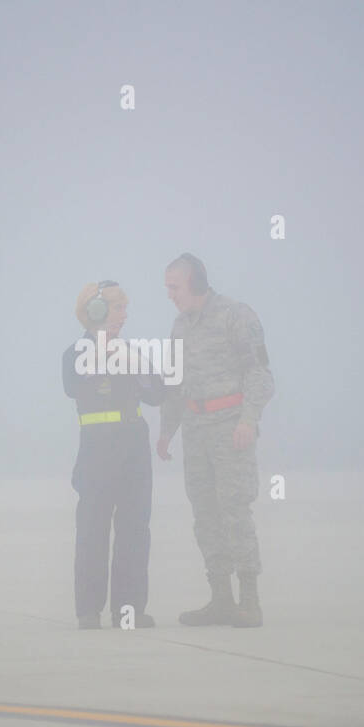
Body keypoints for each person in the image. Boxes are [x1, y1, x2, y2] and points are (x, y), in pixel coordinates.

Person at [157, 254, 274, 627]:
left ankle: (250, 601)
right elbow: (175, 385)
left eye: (174, 287)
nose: (170, 295)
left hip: (230, 427)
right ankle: (221, 597)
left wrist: (249, 419)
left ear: (194, 282)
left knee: (234, 509)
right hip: (194, 428)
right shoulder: (179, 326)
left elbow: (260, 373)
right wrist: (166, 431)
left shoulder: (237, 316)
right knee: (205, 514)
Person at [63, 280, 165, 630]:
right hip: (97, 450)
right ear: (96, 312)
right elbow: (72, 385)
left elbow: (157, 394)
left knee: (135, 529)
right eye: (118, 308)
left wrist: (137, 364)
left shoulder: (131, 351)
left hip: (133, 447)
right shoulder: (76, 353)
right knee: (92, 528)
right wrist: (105, 352)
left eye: (124, 308)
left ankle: (129, 610)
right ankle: (88, 611)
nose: (124, 315)